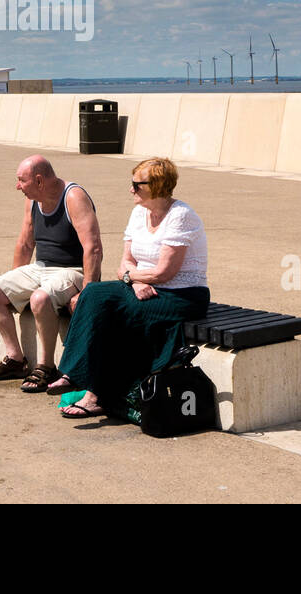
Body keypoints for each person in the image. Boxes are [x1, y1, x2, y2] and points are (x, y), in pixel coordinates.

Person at [45, 157, 209, 419]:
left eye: (137, 184)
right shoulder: (138, 212)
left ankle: (95, 393)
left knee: (117, 314)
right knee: (92, 293)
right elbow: (124, 263)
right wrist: (134, 282)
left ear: (157, 185)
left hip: (182, 294)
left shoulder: (181, 216)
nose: (131, 189)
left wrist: (134, 278)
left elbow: (165, 272)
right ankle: (73, 373)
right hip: (141, 286)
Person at [0, 156, 101, 391]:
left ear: (38, 180)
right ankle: (16, 359)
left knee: (40, 298)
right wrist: (14, 291)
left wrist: (88, 294)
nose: (17, 186)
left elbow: (93, 247)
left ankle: (46, 367)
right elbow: (25, 244)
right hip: (41, 268)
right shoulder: (33, 199)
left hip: (72, 270)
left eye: (21, 181)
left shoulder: (74, 197)